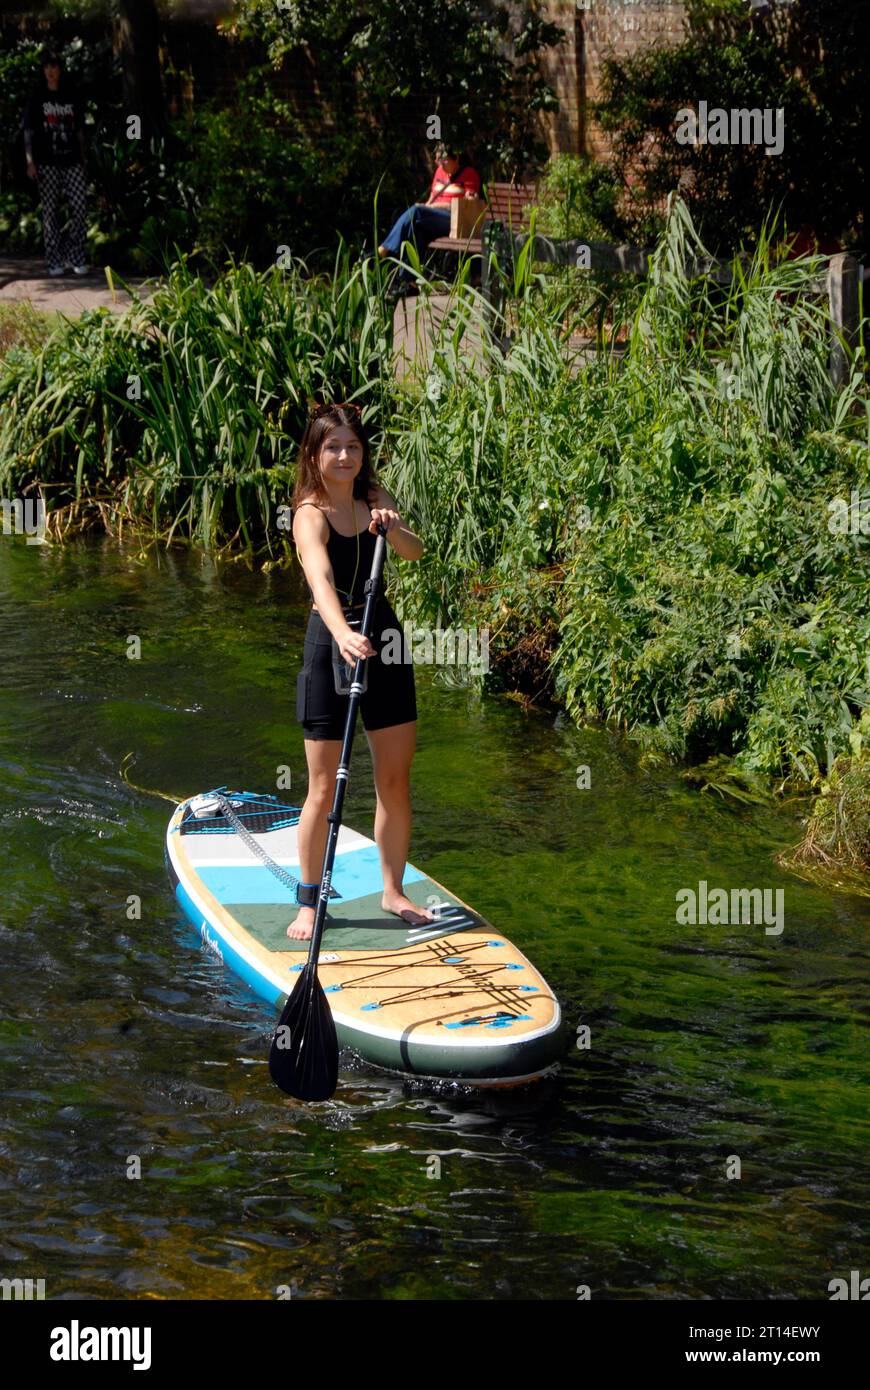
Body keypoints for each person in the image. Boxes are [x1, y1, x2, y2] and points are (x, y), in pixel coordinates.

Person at [288, 402, 435, 939]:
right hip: (333, 641)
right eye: (333, 447)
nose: (345, 455)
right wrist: (343, 633)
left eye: (353, 446)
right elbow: (320, 580)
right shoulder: (309, 513)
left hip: (386, 641)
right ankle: (309, 902)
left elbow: (415, 552)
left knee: (395, 779)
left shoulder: (376, 498)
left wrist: (392, 529)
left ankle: (393, 891)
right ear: (315, 454)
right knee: (323, 787)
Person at [20, 48, 89, 277]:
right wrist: (30, 162)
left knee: (79, 207)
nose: (51, 71)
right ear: (43, 70)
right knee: (50, 212)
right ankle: (54, 260)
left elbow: (79, 129)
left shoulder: (71, 95)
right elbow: (28, 132)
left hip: (71, 160)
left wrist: (83, 158)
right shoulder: (37, 97)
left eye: (55, 66)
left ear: (60, 69)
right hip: (46, 161)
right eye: (47, 67)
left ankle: (76, 255)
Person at [377, 142, 481, 294]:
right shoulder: (439, 172)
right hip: (433, 217)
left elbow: (468, 205)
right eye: (438, 160)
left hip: (453, 219)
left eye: (444, 160)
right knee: (416, 229)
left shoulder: (469, 174)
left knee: (417, 211)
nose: (440, 164)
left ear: (456, 158)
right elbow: (432, 198)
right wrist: (428, 207)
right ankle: (409, 283)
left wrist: (430, 208)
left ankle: (383, 250)